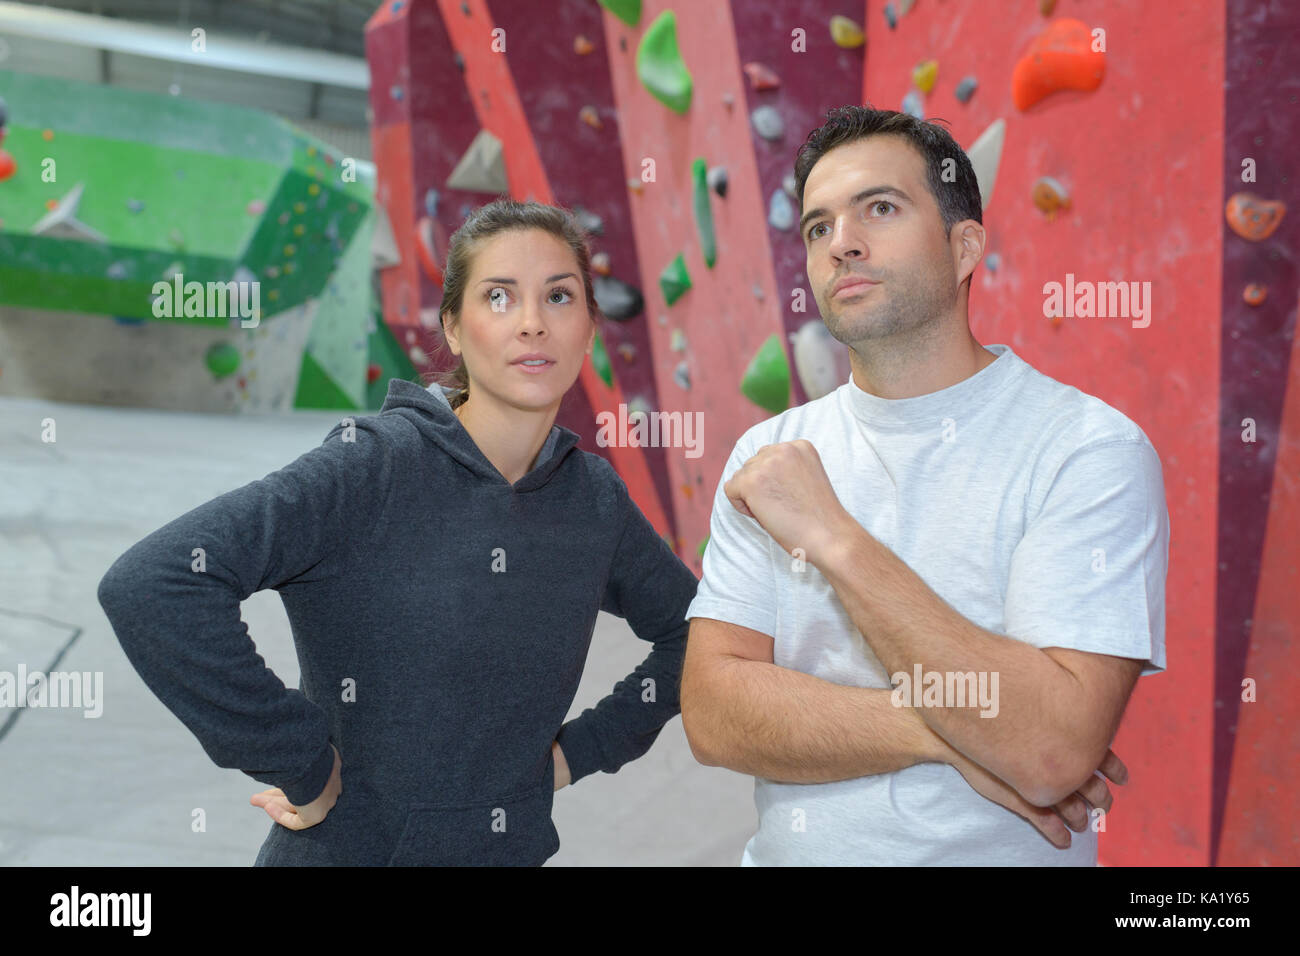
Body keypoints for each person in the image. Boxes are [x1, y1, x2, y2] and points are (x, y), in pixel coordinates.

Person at [97, 198, 698, 866]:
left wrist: (577, 753)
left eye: (559, 296)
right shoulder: (372, 466)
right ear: (456, 329)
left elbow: (694, 632)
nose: (532, 323)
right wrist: (300, 760)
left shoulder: (593, 500)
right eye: (499, 297)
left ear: (588, 329)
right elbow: (157, 583)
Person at [680, 105, 1170, 865]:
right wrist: (953, 730)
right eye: (817, 227)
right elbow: (713, 716)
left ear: (964, 244)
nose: (841, 242)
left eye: (879, 207)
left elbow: (1046, 750)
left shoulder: (1086, 451)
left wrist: (833, 539)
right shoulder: (770, 451)